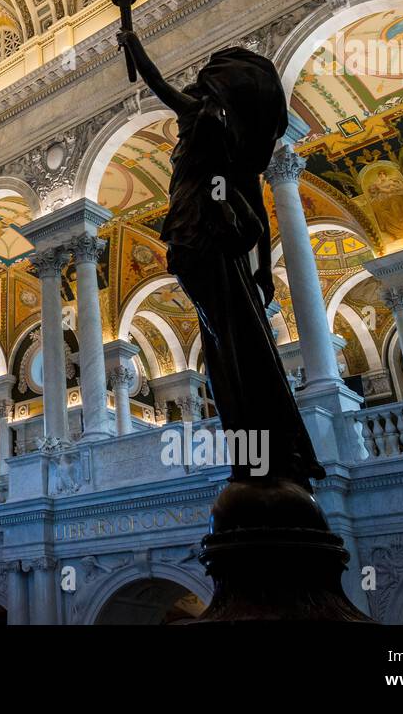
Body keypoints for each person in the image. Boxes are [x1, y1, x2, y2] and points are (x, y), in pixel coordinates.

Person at [118, 29, 326, 489]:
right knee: (236, 344)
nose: (191, 88)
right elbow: (256, 210)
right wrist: (264, 268)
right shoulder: (230, 141)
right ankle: (265, 449)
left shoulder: (203, 119)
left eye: (200, 82)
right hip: (215, 243)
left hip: (198, 236)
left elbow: (154, 81)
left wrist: (132, 42)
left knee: (229, 349)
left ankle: (256, 451)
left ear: (214, 88)